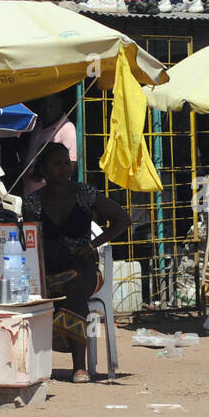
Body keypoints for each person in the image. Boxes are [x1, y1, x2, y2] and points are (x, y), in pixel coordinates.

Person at [24, 142, 133, 383]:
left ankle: (79, 366)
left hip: (82, 266)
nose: (64, 168)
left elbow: (123, 219)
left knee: (75, 286)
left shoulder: (85, 193)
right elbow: (30, 239)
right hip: (49, 269)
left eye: (66, 163)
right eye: (57, 164)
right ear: (44, 169)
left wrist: (93, 246)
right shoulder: (33, 202)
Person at [4, 88, 78, 198]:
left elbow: (70, 166)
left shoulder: (67, 129)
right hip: (30, 194)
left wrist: (37, 173)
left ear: (60, 103)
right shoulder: (38, 125)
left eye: (52, 105)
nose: (47, 110)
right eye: (45, 105)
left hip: (50, 198)